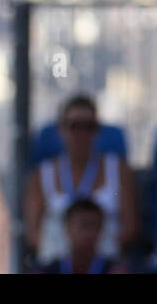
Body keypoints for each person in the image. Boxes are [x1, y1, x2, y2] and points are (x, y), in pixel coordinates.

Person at [23, 93, 138, 266]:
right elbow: (33, 233)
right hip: (57, 266)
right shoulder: (42, 175)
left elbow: (131, 227)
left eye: (88, 127)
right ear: (61, 130)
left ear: (97, 130)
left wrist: (92, 250)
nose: (81, 133)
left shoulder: (119, 170)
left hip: (104, 264)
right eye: (74, 126)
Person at [38, 199, 128, 274]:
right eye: (83, 225)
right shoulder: (47, 270)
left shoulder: (115, 270)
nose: (89, 232)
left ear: (101, 229)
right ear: (67, 228)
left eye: (95, 225)